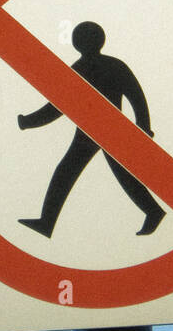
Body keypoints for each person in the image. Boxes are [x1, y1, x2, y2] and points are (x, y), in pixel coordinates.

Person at [17, 21, 165, 238]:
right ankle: (46, 222)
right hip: (96, 130)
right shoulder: (113, 65)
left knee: (71, 171)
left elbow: (56, 107)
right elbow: (136, 96)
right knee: (84, 172)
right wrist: (143, 125)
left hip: (104, 131)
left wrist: (28, 121)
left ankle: (46, 222)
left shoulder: (83, 68)